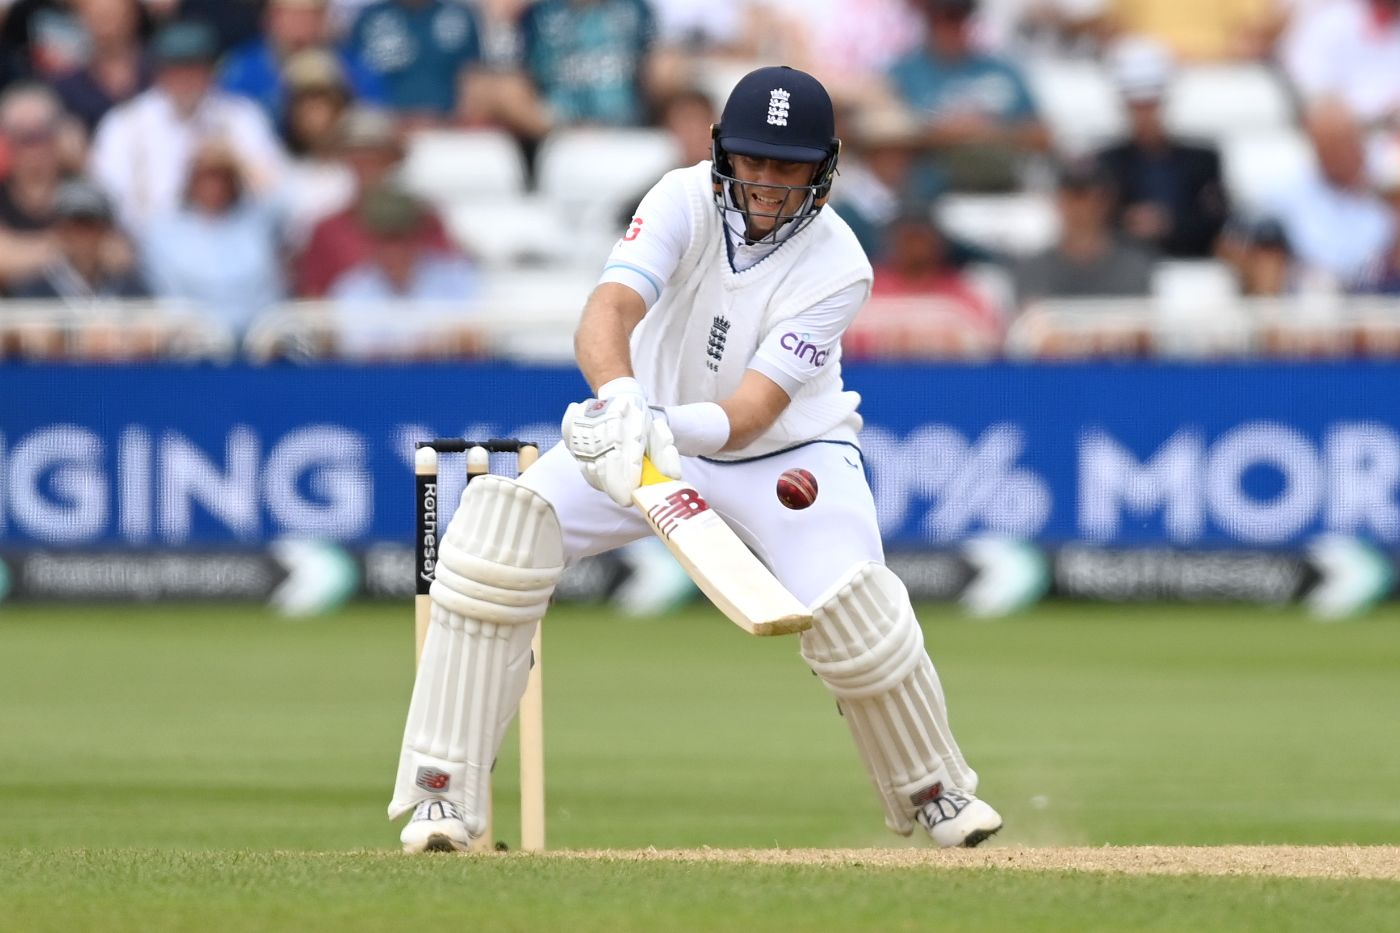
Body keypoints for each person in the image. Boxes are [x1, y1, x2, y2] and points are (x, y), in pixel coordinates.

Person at [389, 65, 1004, 853]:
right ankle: (444, 794)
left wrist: (654, 423)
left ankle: (935, 790)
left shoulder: (840, 264)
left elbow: (750, 415)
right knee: (494, 535)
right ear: (722, 152)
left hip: (784, 454)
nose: (767, 183)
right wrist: (619, 403)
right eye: (752, 160)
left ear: (826, 167)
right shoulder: (678, 198)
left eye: (788, 167)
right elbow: (607, 309)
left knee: (860, 614)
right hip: (638, 438)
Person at [88, 18, 288, 234]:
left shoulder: (240, 116)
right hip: (147, 248)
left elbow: (276, 193)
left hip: (232, 243)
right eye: (176, 68)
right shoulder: (124, 124)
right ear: (159, 72)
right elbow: (105, 197)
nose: (185, 78)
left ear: (211, 70)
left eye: (194, 68)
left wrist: (236, 161)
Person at [885, 0, 1049, 193]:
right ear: (928, 21)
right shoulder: (904, 73)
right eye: (944, 18)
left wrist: (987, 130)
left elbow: (1043, 136)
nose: (953, 27)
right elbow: (885, 137)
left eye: (960, 17)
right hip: (929, 194)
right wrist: (941, 132)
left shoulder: (1001, 70)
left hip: (1003, 187)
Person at [1094, 37, 1228, 259]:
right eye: (1136, 106)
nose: (1144, 115)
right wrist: (1128, 222)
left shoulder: (1203, 161)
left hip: (1190, 262)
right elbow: (1094, 223)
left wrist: (1168, 224)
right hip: (1123, 269)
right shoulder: (1106, 163)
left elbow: (1217, 221)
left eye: (1150, 104)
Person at [141, 139, 285, 336]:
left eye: (222, 178)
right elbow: (167, 295)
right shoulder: (164, 229)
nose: (213, 186)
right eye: (205, 177)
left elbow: (287, 203)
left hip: (256, 341)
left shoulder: (256, 223)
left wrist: (238, 161)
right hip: (189, 344)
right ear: (191, 181)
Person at [1013, 158, 1155, 305]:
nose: (1083, 206)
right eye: (1074, 196)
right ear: (1058, 200)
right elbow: (1031, 318)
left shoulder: (1135, 266)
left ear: (1108, 201)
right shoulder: (1033, 269)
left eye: (1095, 197)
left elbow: (1139, 321)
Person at [11, 176, 148, 301]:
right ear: (60, 231)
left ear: (105, 232)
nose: (82, 237)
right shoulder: (37, 289)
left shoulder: (126, 287)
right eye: (74, 226)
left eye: (90, 226)